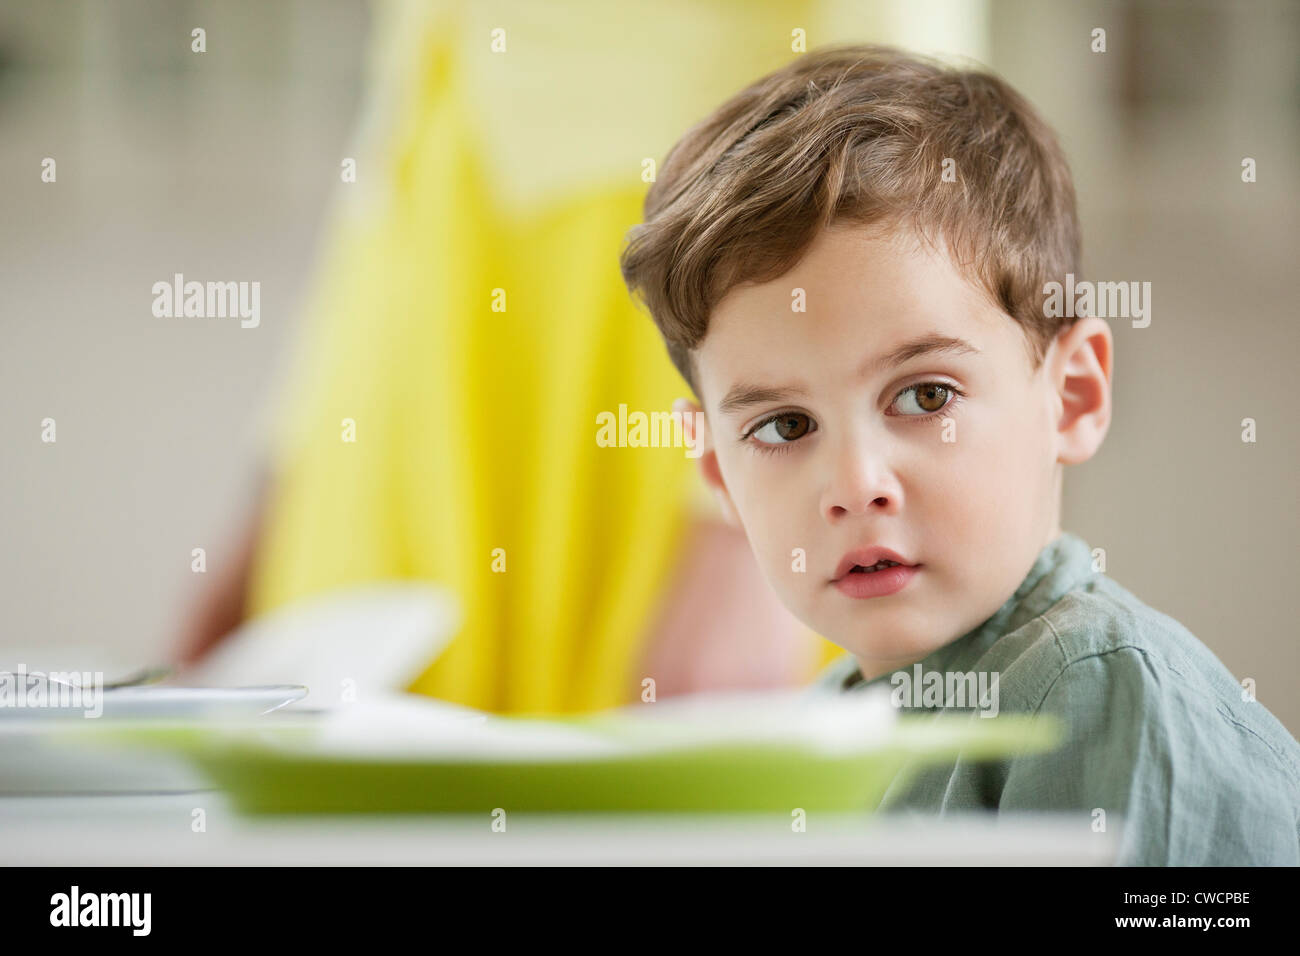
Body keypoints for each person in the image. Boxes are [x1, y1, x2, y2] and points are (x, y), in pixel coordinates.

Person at [618, 43, 1300, 864]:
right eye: (788, 427)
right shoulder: (826, 730)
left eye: (925, 396)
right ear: (721, 474)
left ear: (1072, 396)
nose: (856, 485)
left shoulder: (1091, 686)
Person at [173, 0, 849, 713]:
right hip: (419, 284)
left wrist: (753, 527)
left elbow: (889, 65)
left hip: (659, 287)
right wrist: (280, 481)